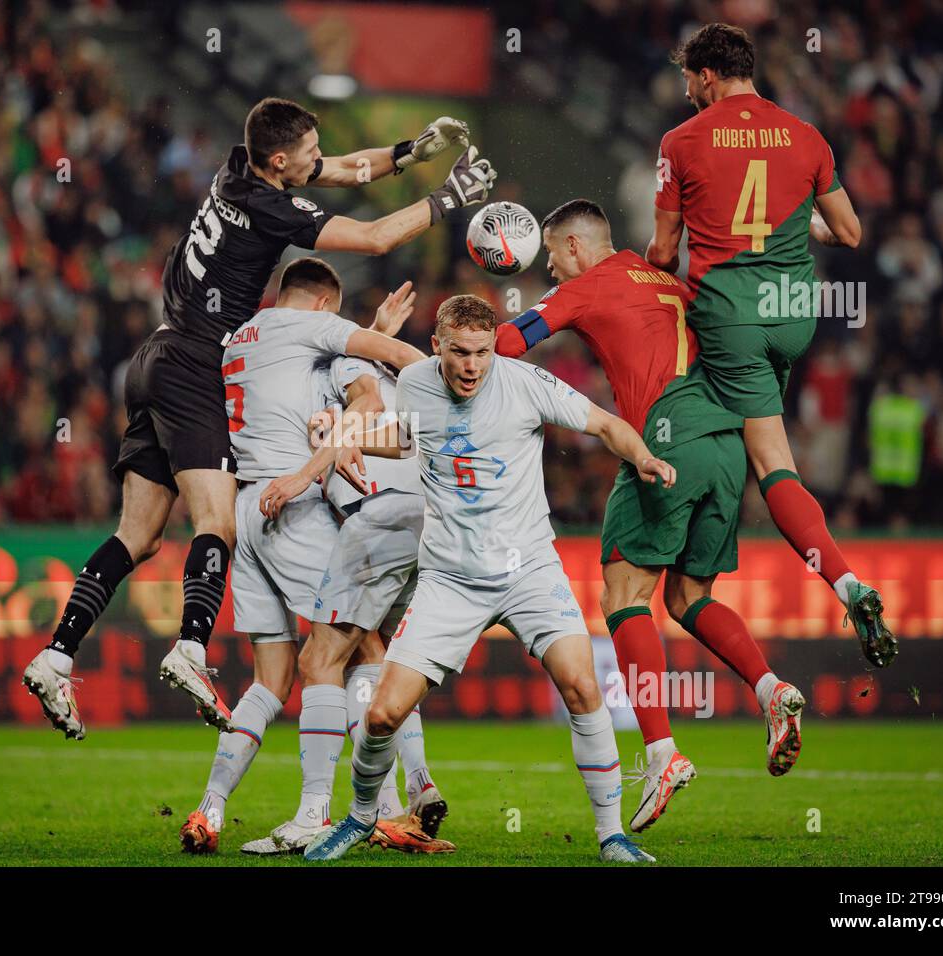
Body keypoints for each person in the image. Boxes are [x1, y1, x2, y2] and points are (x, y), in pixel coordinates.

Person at [23, 99, 496, 738]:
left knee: (138, 534)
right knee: (216, 521)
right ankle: (191, 648)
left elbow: (351, 170)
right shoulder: (273, 209)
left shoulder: (236, 169)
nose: (318, 157)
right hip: (194, 364)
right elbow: (376, 236)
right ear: (279, 160)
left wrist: (409, 153)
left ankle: (56, 655)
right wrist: (449, 198)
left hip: (154, 356)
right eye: (308, 150)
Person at [305, 294, 674, 863]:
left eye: (482, 352)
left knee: (582, 686)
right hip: (449, 579)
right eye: (460, 353)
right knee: (381, 714)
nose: (472, 366)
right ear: (437, 347)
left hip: (528, 569)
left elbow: (603, 423)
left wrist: (643, 455)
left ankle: (610, 835)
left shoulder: (525, 382)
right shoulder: (418, 385)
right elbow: (410, 437)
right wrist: (342, 439)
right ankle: (359, 817)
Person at [497, 199, 806, 834]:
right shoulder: (661, 277)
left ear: (577, 246)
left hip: (663, 439)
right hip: (726, 443)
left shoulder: (587, 285)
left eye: (554, 256)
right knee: (688, 597)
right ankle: (772, 688)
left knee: (622, 594)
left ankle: (662, 754)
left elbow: (503, 342)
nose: (553, 270)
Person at [645, 23, 895, 669]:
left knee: (771, 461)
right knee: (748, 422)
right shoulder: (806, 135)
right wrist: (798, 219)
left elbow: (663, 252)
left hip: (730, 312)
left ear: (705, 75)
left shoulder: (683, 140)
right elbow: (849, 232)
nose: (687, 93)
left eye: (687, 81)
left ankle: (846, 582)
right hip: (792, 312)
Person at [177, 258, 427, 853]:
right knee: (357, 645)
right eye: (334, 317)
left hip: (241, 508)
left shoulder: (242, 334)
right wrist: (454, 377)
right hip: (291, 504)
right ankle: (366, 808)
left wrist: (372, 333)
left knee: (273, 676)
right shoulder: (311, 328)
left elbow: (313, 378)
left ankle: (209, 809)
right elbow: (379, 371)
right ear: (322, 306)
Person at [241, 347, 450, 856]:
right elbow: (404, 433)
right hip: (433, 527)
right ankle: (417, 784)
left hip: (377, 522)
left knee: (319, 661)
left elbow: (339, 427)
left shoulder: (326, 384)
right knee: (388, 660)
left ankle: (315, 812)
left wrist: (302, 475)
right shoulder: (416, 384)